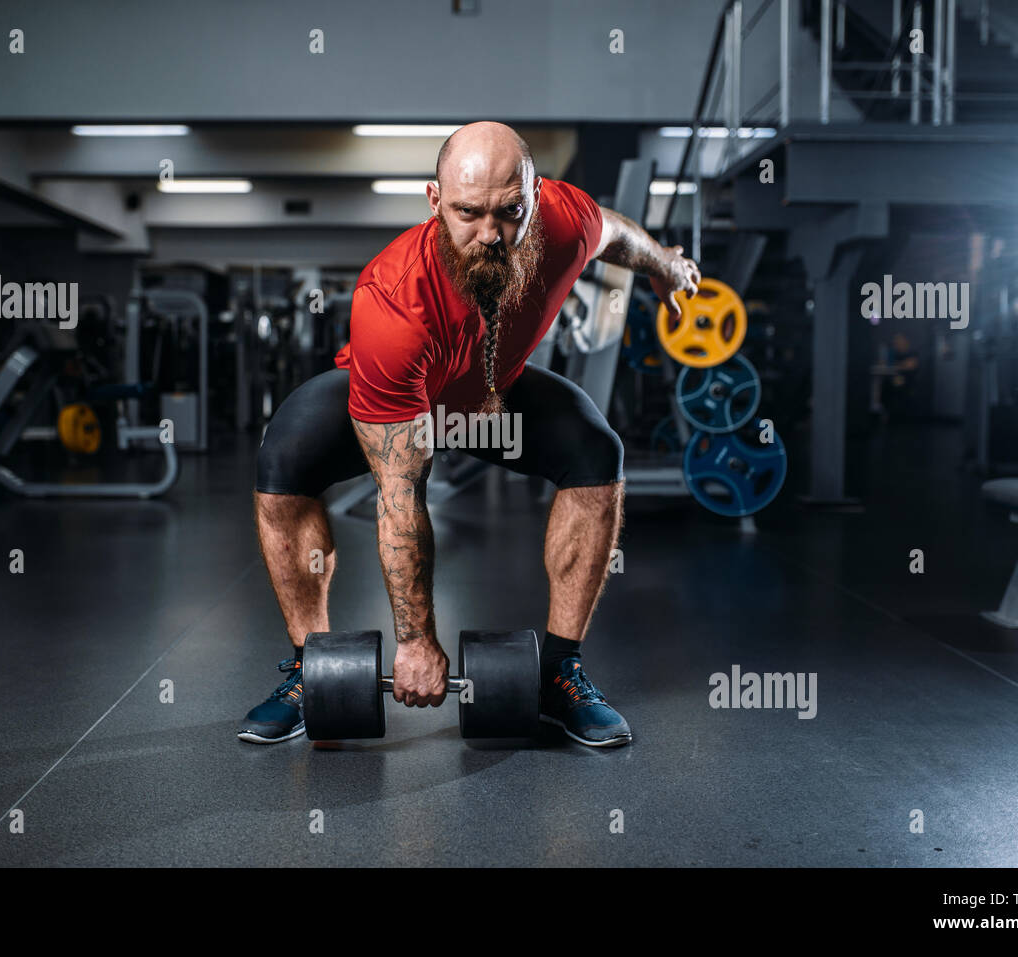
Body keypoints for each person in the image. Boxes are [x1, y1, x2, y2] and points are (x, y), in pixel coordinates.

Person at [241, 121, 699, 747]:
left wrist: (666, 264)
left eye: (510, 212)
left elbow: (614, 233)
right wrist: (415, 641)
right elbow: (401, 498)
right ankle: (307, 669)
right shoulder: (393, 300)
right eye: (467, 213)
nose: (490, 235)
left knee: (597, 453)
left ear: (536, 195)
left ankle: (561, 673)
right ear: (435, 202)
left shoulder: (563, 223)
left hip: (490, 399)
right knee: (284, 462)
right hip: (394, 399)